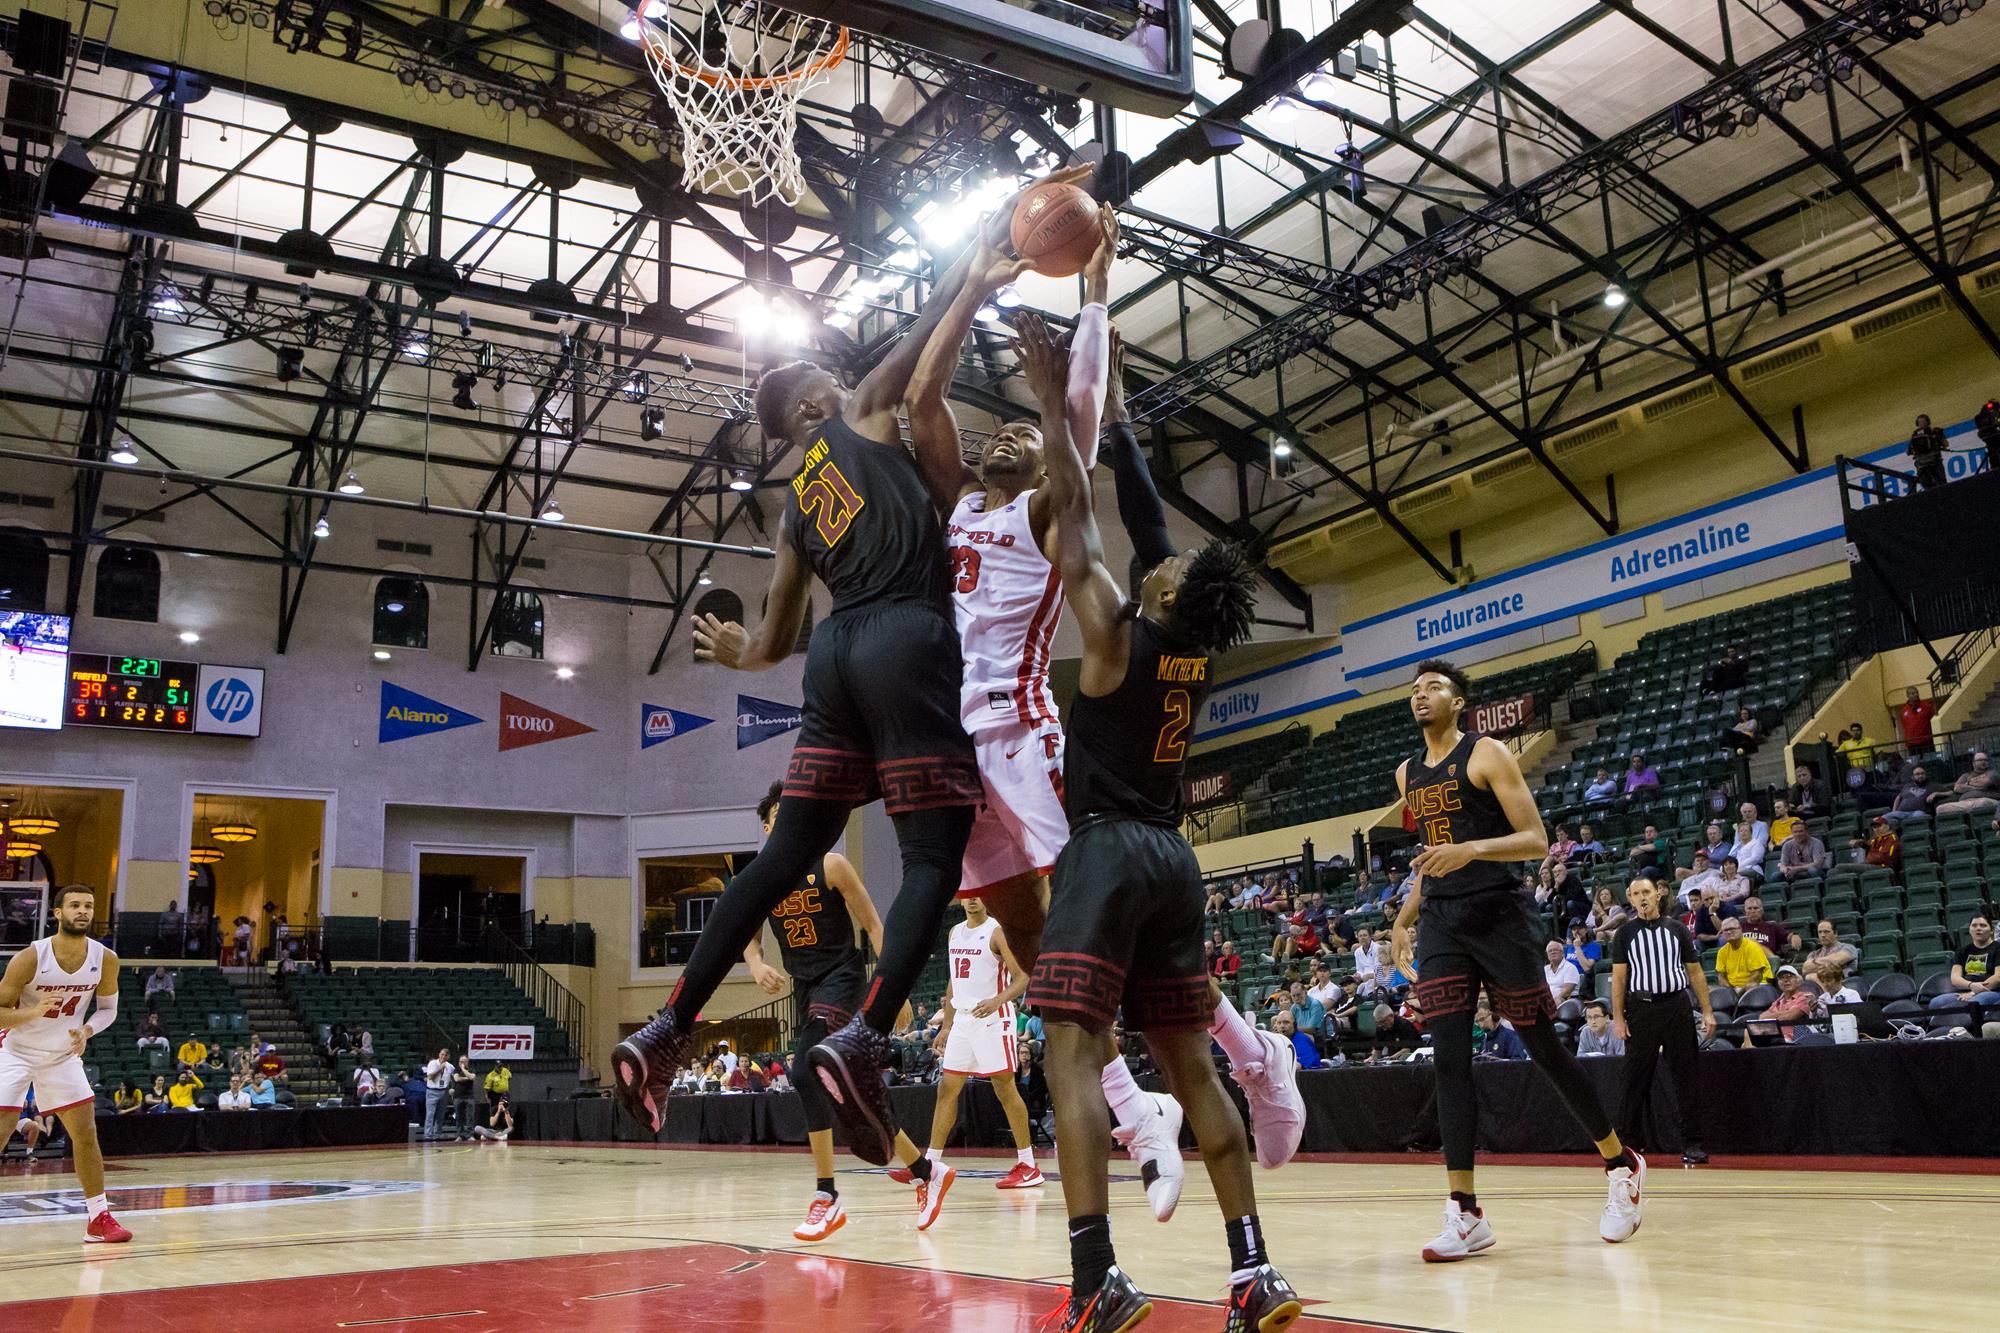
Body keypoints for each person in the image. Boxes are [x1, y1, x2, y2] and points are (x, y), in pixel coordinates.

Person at [611, 192, 1069, 1156]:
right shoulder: (856, 413)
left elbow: (774, 635)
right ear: (818, 401)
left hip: (830, 659)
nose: (843, 378)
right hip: (907, 635)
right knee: (937, 858)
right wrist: (975, 276)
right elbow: (912, 353)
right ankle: (862, 1038)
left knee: (782, 858)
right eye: (829, 375)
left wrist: (745, 655)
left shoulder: (791, 507)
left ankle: (666, 1028)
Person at [1012, 318, 1300, 1332]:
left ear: (1167, 598)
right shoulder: (1188, 642)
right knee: (1187, 1063)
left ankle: (1095, 1276)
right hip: (1175, 858)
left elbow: (1085, 526)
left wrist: (1057, 403)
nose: (1163, 561)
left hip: (1103, 850)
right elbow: (1144, 523)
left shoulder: (1107, 629)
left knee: (1072, 1056)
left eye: (1170, 570)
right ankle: (1253, 1270)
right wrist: (1121, 411)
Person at [1391, 660, 1645, 1264]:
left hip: (1500, 913)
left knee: (1543, 1047)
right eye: (1414, 691)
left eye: (1433, 688)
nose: (1420, 696)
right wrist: (1402, 919)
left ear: (1459, 702)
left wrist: (1472, 848)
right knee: (1449, 1061)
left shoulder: (1488, 754)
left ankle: (1621, 1163)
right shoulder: (1405, 774)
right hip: (1442, 922)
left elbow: (1534, 838)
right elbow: (1434, 861)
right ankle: (1466, 1212)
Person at [737, 784, 935, 1234]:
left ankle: (826, 1193)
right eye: (776, 815)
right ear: (767, 825)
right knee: (854, 1087)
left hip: (843, 979)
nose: (785, 820)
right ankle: (926, 1171)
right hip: (805, 988)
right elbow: (746, 934)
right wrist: (755, 963)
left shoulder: (831, 863)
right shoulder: (762, 878)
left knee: (806, 1068)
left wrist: (896, 990)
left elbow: (875, 927)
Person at [0, 885, 132, 1241]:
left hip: (61, 1054)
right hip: (15, 1050)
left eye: (88, 905)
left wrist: (87, 1030)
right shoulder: (30, 957)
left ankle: (98, 1218)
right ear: (57, 913)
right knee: (2, 1126)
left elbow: (108, 1010)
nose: (83, 911)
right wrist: (31, 1013)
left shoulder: (105, 958)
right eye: (74, 905)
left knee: (85, 1132)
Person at [920, 897, 1042, 1200]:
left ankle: (1028, 1164)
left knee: (1005, 1089)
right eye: (968, 894)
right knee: (947, 1088)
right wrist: (946, 1026)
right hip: (962, 1019)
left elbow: (1023, 976)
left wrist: (997, 1001)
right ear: (962, 899)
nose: (972, 899)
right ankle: (931, 1163)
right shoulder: (955, 933)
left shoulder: (997, 931)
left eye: (978, 894)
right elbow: (954, 982)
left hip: (993, 1019)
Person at [1609, 876, 1715, 1165]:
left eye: (1647, 891)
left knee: (1685, 1076)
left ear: (1658, 894)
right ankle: (1629, 1144)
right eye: (1636, 894)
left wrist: (1707, 1010)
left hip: (1676, 1006)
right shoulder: (1624, 934)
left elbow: (1695, 972)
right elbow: (1619, 979)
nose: (1642, 897)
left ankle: (1692, 1143)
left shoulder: (1678, 929)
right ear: (1629, 899)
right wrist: (1618, 1018)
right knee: (1634, 1078)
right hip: (1640, 1009)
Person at [1931, 914, 2000, 1011]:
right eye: (1974, 925)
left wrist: (1973, 993)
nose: (1978, 928)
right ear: (1969, 929)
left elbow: (1998, 977)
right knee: (1936, 1002)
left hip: (1993, 991)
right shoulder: (1963, 951)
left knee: (1974, 1002)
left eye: (1983, 925)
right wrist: (1970, 985)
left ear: (1991, 930)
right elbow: (1955, 978)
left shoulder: (1998, 948)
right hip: (1965, 991)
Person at [1713, 918, 1773, 988]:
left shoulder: (1752, 946)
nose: (1729, 932)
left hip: (1758, 985)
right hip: (1734, 988)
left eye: (1732, 929)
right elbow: (1721, 976)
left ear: (1740, 929)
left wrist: (1740, 992)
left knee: (1751, 986)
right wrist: (1730, 991)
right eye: (1725, 930)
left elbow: (1757, 975)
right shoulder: (1722, 952)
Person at [1937, 752, 2000, 816]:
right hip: (1965, 802)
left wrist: (1967, 784)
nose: (1983, 762)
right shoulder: (1966, 775)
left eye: (1985, 760)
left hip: (1987, 799)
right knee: (1941, 808)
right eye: (1980, 760)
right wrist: (1975, 787)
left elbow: (1984, 783)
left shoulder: (1993, 773)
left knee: (1981, 803)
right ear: (1973, 763)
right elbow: (1957, 788)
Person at [1908, 413, 1949, 490]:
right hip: (1935, 463)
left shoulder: (1914, 435)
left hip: (1921, 465)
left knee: (1928, 487)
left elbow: (1908, 451)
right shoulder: (1935, 431)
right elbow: (1945, 444)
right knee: (1942, 485)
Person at [422, 1048, 452, 1140]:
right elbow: (430, 1077)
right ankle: (427, 1134)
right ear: (439, 1054)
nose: (443, 1057)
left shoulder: (450, 1066)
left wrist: (451, 1088)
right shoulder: (432, 1063)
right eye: (442, 1054)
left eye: (445, 1055)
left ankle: (437, 1134)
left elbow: (451, 1078)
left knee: (440, 1114)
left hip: (443, 1091)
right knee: (430, 1114)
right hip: (432, 1091)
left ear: (448, 1057)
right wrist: (439, 1069)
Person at [1896, 684, 1937, 751]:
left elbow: (1933, 720)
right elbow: (1905, 725)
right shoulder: (1904, 710)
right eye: (1913, 693)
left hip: (1926, 743)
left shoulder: (1926, 707)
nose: (1916, 694)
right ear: (1908, 696)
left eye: (1917, 692)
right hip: (1911, 745)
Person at [1543, 940, 1581, 1005]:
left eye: (1555, 950)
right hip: (1547, 1002)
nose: (1553, 952)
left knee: (1558, 1000)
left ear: (1563, 953)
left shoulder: (1570, 967)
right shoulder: (1545, 969)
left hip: (1567, 1001)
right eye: (1550, 951)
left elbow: (1567, 991)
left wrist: (1552, 1003)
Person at [451, 1055, 478, 1140]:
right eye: (460, 1062)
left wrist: (463, 1069)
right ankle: (460, 1135)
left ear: (467, 1062)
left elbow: (472, 1077)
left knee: (470, 1116)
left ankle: (470, 1135)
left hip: (469, 1096)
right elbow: (456, 1079)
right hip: (458, 1096)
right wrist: (467, 1077)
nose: (461, 1063)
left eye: (463, 1061)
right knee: (459, 1116)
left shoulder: (472, 1069)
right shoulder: (456, 1069)